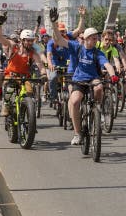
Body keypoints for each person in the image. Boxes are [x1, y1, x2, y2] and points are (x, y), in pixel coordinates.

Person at [50, 11, 117, 145]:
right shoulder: (77, 47)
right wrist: (53, 24)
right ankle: (77, 133)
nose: (96, 40)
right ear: (86, 39)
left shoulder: (97, 52)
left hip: (93, 78)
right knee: (74, 102)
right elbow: (59, 39)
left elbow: (107, 64)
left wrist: (113, 75)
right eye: (93, 38)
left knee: (99, 87)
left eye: (96, 38)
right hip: (79, 79)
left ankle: (96, 109)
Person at [0, 12, 47, 116]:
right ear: (22, 40)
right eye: (27, 41)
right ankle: (6, 105)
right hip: (11, 75)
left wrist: (44, 74)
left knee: (29, 93)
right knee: (9, 90)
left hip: (25, 78)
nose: (30, 43)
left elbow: (40, 65)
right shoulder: (14, 46)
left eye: (31, 41)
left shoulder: (33, 52)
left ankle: (27, 114)